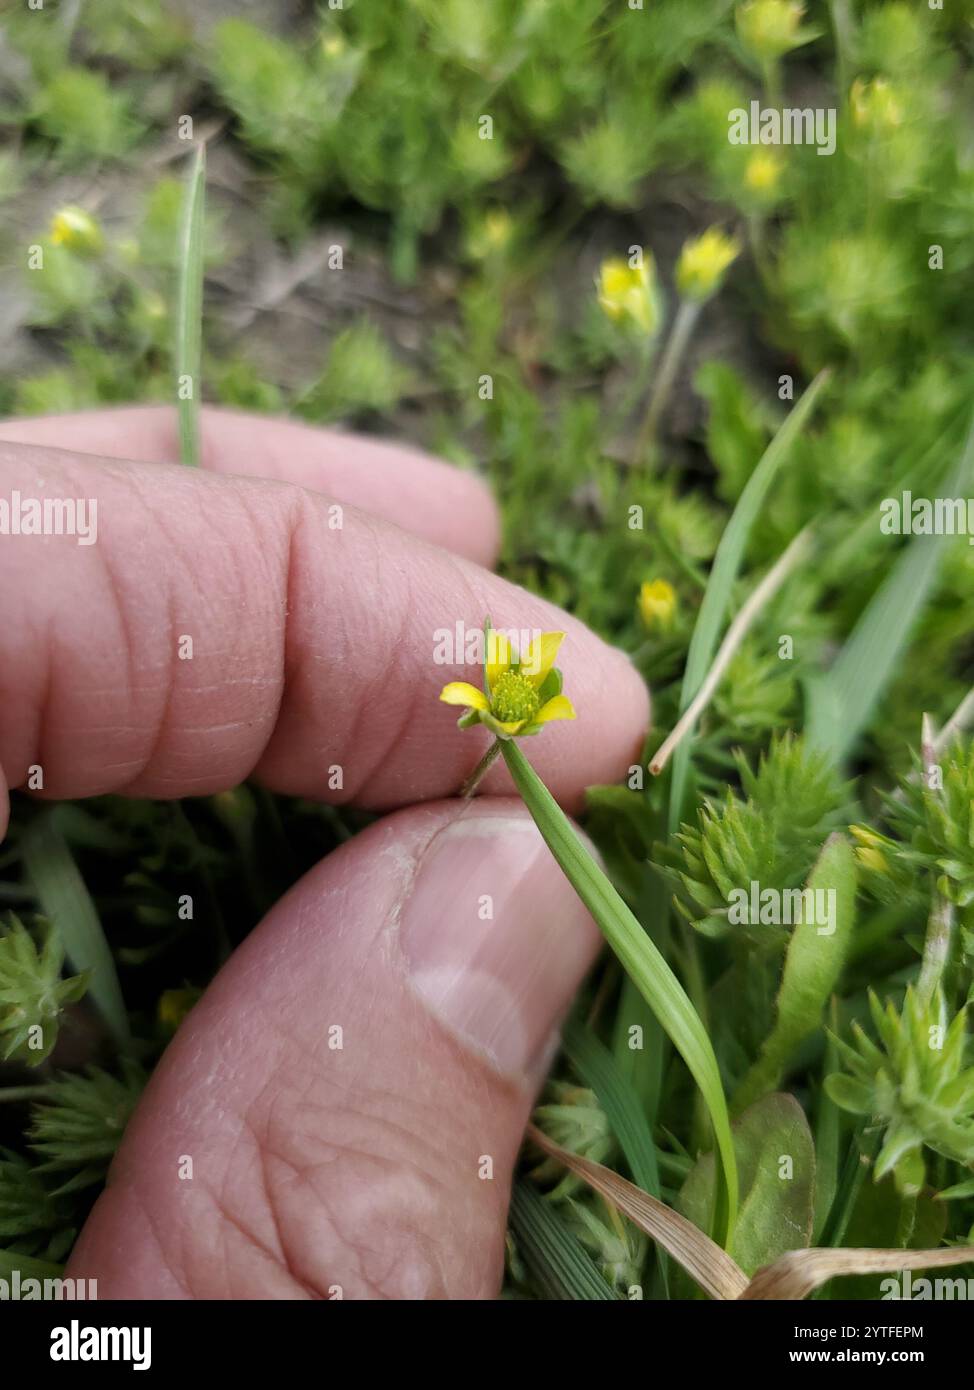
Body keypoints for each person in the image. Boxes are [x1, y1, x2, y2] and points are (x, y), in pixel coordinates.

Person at [0, 407, 648, 1299]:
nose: (511, 694)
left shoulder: (518, 702)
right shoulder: (487, 701)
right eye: (504, 693)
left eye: (519, 698)